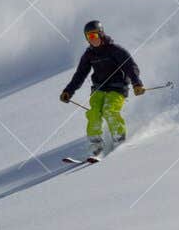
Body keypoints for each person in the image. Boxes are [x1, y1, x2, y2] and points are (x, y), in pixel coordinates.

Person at [60, 19, 144, 157]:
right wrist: (68, 91)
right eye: (89, 37)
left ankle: (119, 139)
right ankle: (96, 145)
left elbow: (131, 67)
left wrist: (137, 83)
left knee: (109, 110)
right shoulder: (89, 55)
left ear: (101, 33)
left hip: (117, 87)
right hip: (99, 88)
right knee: (94, 113)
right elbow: (80, 74)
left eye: (94, 36)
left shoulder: (115, 50)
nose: (92, 40)